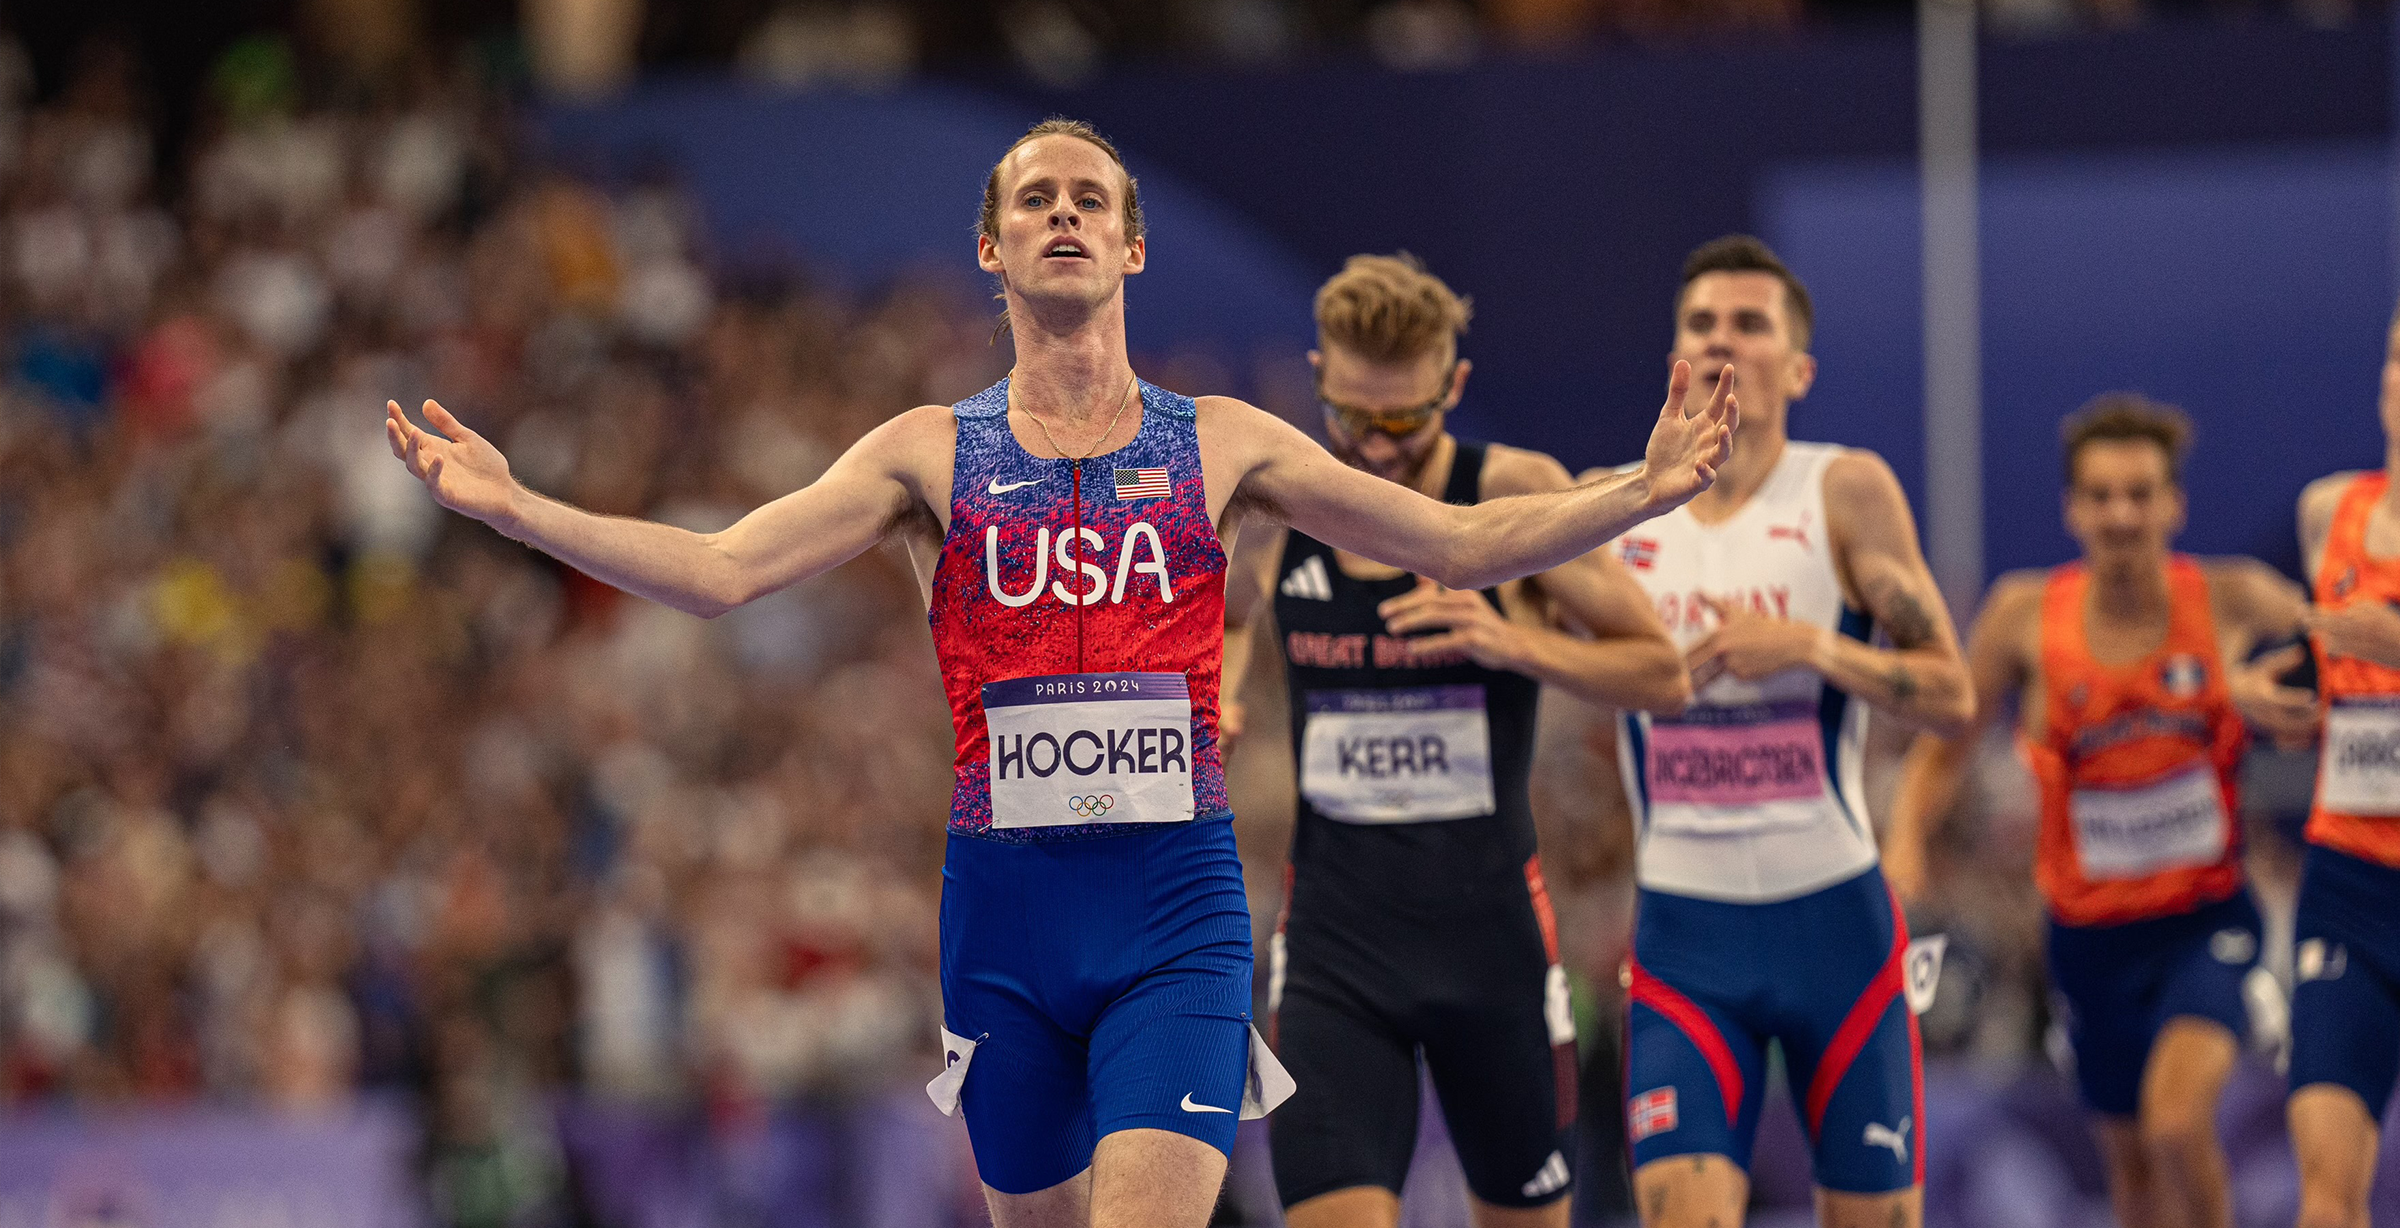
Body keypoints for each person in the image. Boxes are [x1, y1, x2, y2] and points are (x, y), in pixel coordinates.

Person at [384, 118, 1737, 1228]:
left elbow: (1457, 538)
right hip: (1006, 925)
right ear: (993, 245)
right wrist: (521, 512)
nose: (1066, 216)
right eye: (1037, 201)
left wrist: (1646, 487)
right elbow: (725, 569)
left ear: (1134, 245)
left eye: (1092, 199)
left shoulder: (1223, 447)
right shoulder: (924, 454)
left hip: (1178, 920)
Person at [1219, 253, 1689, 1228]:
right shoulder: (1279, 501)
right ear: (1319, 382)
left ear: (1454, 387)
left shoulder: (1510, 489)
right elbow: (1225, 626)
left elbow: (1662, 670)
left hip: (1495, 952)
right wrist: (1216, 705)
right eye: (1354, 420)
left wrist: (1506, 639)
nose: (1379, 449)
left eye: (1405, 420)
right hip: (1335, 954)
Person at [1592, 235, 1970, 1228]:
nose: (1724, 340)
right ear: (1673, 352)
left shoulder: (1843, 491)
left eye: (1750, 324)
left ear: (1797, 368)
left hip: (1835, 925)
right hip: (1685, 929)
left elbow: (1951, 694)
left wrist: (1811, 645)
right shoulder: (1612, 507)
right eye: (1702, 322)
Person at [1885, 394, 2304, 1228]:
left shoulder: (2232, 600)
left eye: (2141, 493)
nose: (2122, 515)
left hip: (2205, 924)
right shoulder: (2022, 617)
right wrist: (1904, 843)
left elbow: (2349, 656)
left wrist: (2282, 696)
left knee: (2180, 1123)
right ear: (2074, 508)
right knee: (2135, 1175)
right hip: (2087, 941)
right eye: (2102, 496)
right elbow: (1944, 748)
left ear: (2174, 504)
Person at [2261, 304, 2400, 1228]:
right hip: (2349, 880)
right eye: (2398, 355)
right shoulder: (2328, 514)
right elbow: (2308, 663)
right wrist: (2266, 695)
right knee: (2326, 1189)